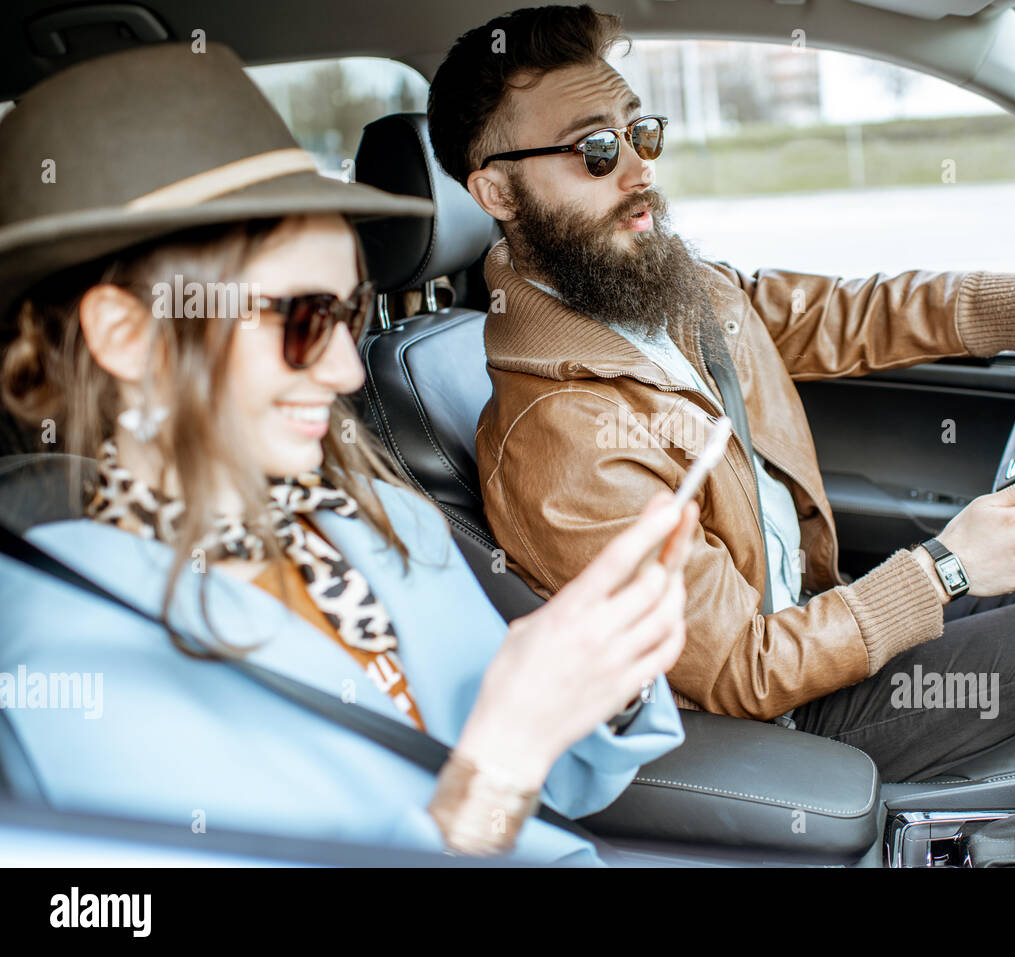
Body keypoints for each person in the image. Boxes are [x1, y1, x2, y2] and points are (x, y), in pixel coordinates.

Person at [427, 4, 1015, 780]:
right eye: (596, 149)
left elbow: (844, 312)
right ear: (496, 193)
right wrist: (946, 567)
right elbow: (739, 669)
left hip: (808, 628)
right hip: (771, 721)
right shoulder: (561, 436)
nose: (640, 171)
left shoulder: (654, 290)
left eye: (642, 131)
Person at [0, 41, 695, 864]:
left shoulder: (374, 517)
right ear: (125, 335)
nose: (340, 368)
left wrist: (606, 674)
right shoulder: (59, 661)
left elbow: (559, 781)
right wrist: (496, 769)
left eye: (351, 313)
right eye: (300, 322)